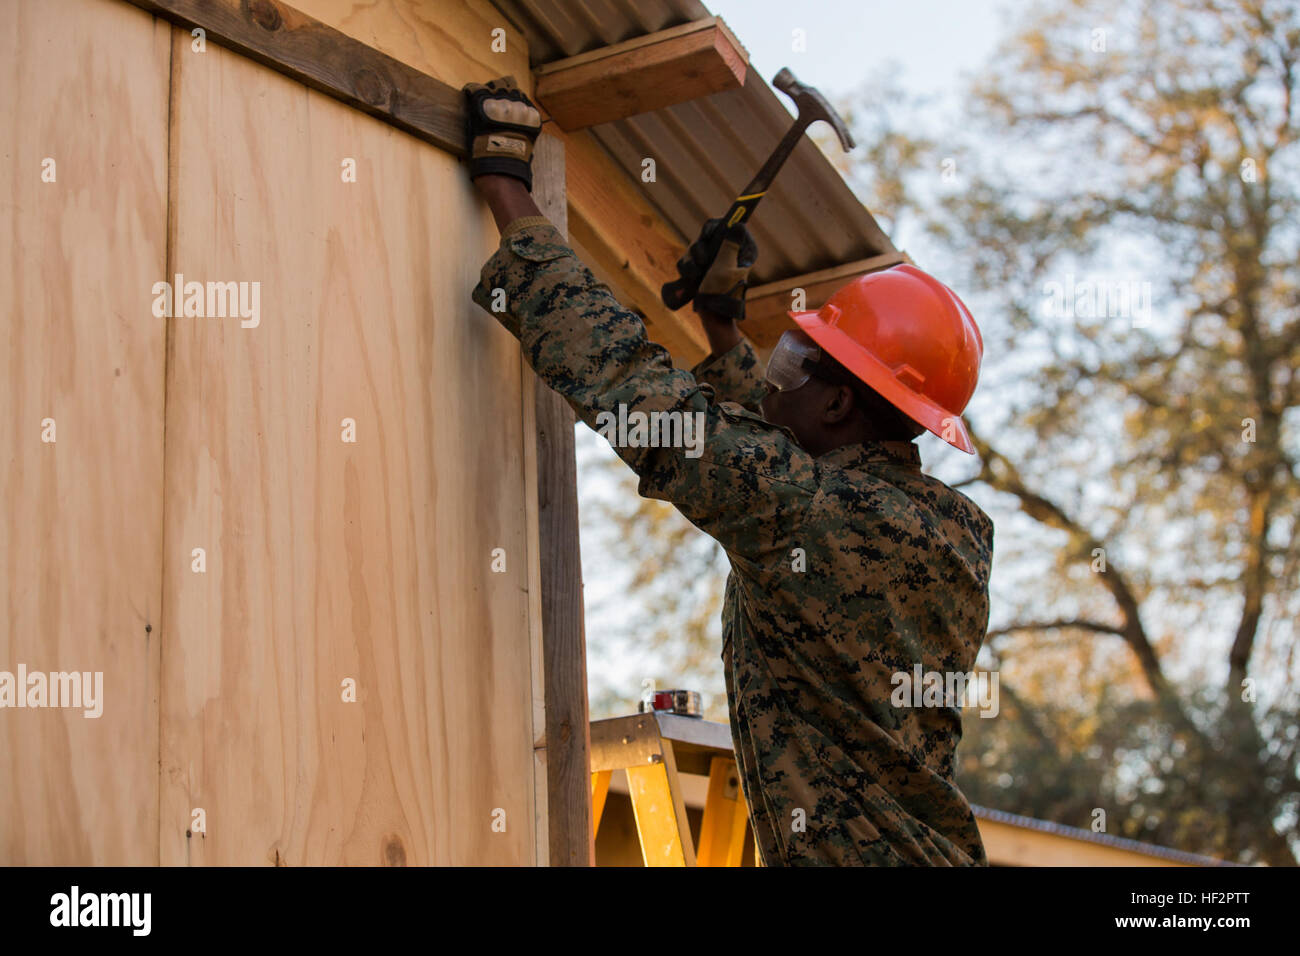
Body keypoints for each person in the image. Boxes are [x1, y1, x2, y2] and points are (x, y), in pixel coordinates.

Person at [463, 77, 993, 866]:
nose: (775, 380)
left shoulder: (809, 514)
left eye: (795, 366)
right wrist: (722, 329)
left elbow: (636, 391)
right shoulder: (934, 530)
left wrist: (513, 198)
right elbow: (770, 463)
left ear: (842, 407)